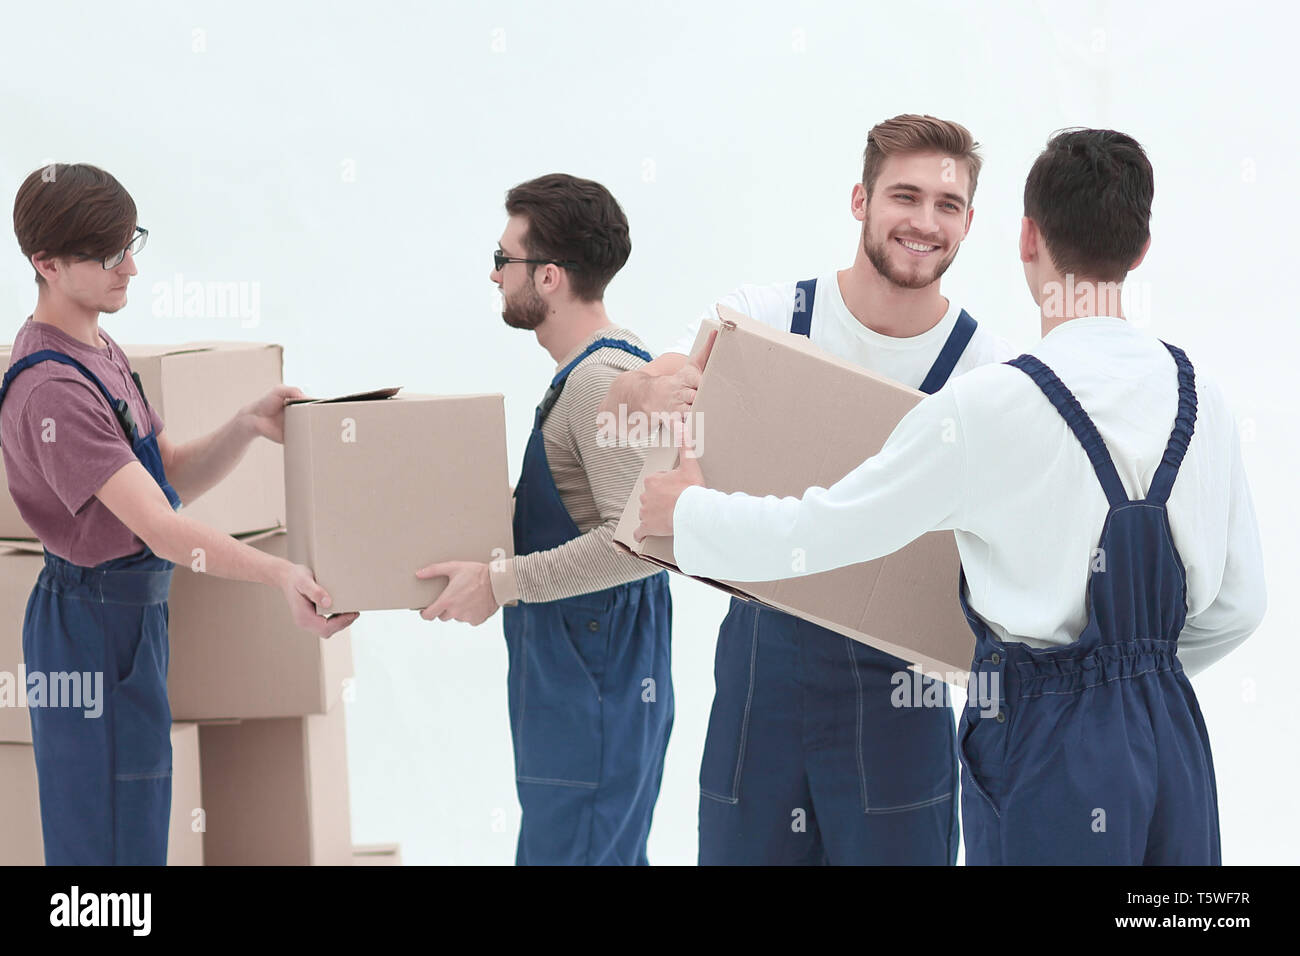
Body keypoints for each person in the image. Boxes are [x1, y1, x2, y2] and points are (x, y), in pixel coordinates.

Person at [635, 129, 1266, 865]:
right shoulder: (1204, 394)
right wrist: (1131, 687)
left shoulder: (988, 401)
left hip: (1039, 734)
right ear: (1142, 246)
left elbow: (831, 529)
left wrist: (688, 515)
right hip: (1169, 735)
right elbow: (1241, 607)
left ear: (1025, 238)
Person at [604, 114, 1014, 865]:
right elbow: (635, 401)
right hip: (764, 677)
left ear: (969, 222)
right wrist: (640, 389)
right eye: (905, 196)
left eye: (946, 206)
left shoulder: (984, 372)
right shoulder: (766, 321)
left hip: (902, 693)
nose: (924, 222)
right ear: (860, 199)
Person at [0, 163, 355, 865]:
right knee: (103, 846)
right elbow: (159, 530)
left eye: (132, 243)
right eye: (107, 255)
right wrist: (282, 575)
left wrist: (247, 424)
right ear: (45, 263)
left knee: (133, 826)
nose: (130, 266)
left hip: (132, 618)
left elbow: (167, 481)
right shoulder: (51, 390)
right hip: (89, 628)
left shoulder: (101, 349)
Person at [417, 173, 673, 865]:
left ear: (551, 277)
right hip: (576, 675)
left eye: (504, 260)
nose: (496, 276)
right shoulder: (589, 372)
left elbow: (641, 547)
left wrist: (498, 583)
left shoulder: (598, 381)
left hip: (593, 682)